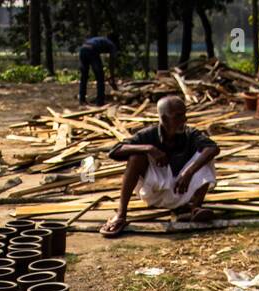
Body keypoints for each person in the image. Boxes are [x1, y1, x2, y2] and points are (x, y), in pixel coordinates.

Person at [100, 95, 220, 237]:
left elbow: (213, 148)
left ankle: (195, 208)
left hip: (182, 191)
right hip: (154, 192)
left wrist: (188, 172)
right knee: (136, 156)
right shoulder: (148, 135)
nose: (184, 120)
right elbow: (114, 151)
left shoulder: (189, 133)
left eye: (184, 115)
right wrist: (149, 149)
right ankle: (121, 215)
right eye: (178, 116)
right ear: (164, 119)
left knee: (206, 155)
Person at [79, 35, 118, 107]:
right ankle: (100, 101)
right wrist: (112, 78)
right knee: (100, 77)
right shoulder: (111, 44)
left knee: (84, 76)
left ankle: (82, 100)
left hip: (83, 48)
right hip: (92, 50)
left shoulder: (101, 40)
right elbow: (111, 63)